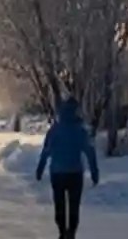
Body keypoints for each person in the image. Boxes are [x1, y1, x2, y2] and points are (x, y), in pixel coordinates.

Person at [35, 97, 99, 239]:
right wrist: (94, 172)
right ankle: (71, 232)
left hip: (57, 173)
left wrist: (40, 168)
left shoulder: (55, 130)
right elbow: (90, 152)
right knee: (74, 205)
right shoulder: (80, 130)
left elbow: (46, 150)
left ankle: (62, 231)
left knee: (60, 204)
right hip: (75, 173)